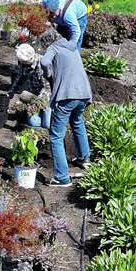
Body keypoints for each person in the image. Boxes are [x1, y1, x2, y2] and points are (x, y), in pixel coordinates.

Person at [38, 17, 92, 187]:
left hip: (67, 95)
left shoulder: (54, 47)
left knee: (56, 136)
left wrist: (48, 74)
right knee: (77, 122)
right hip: (83, 93)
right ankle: (84, 158)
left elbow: (44, 61)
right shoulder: (73, 47)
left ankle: (62, 177)